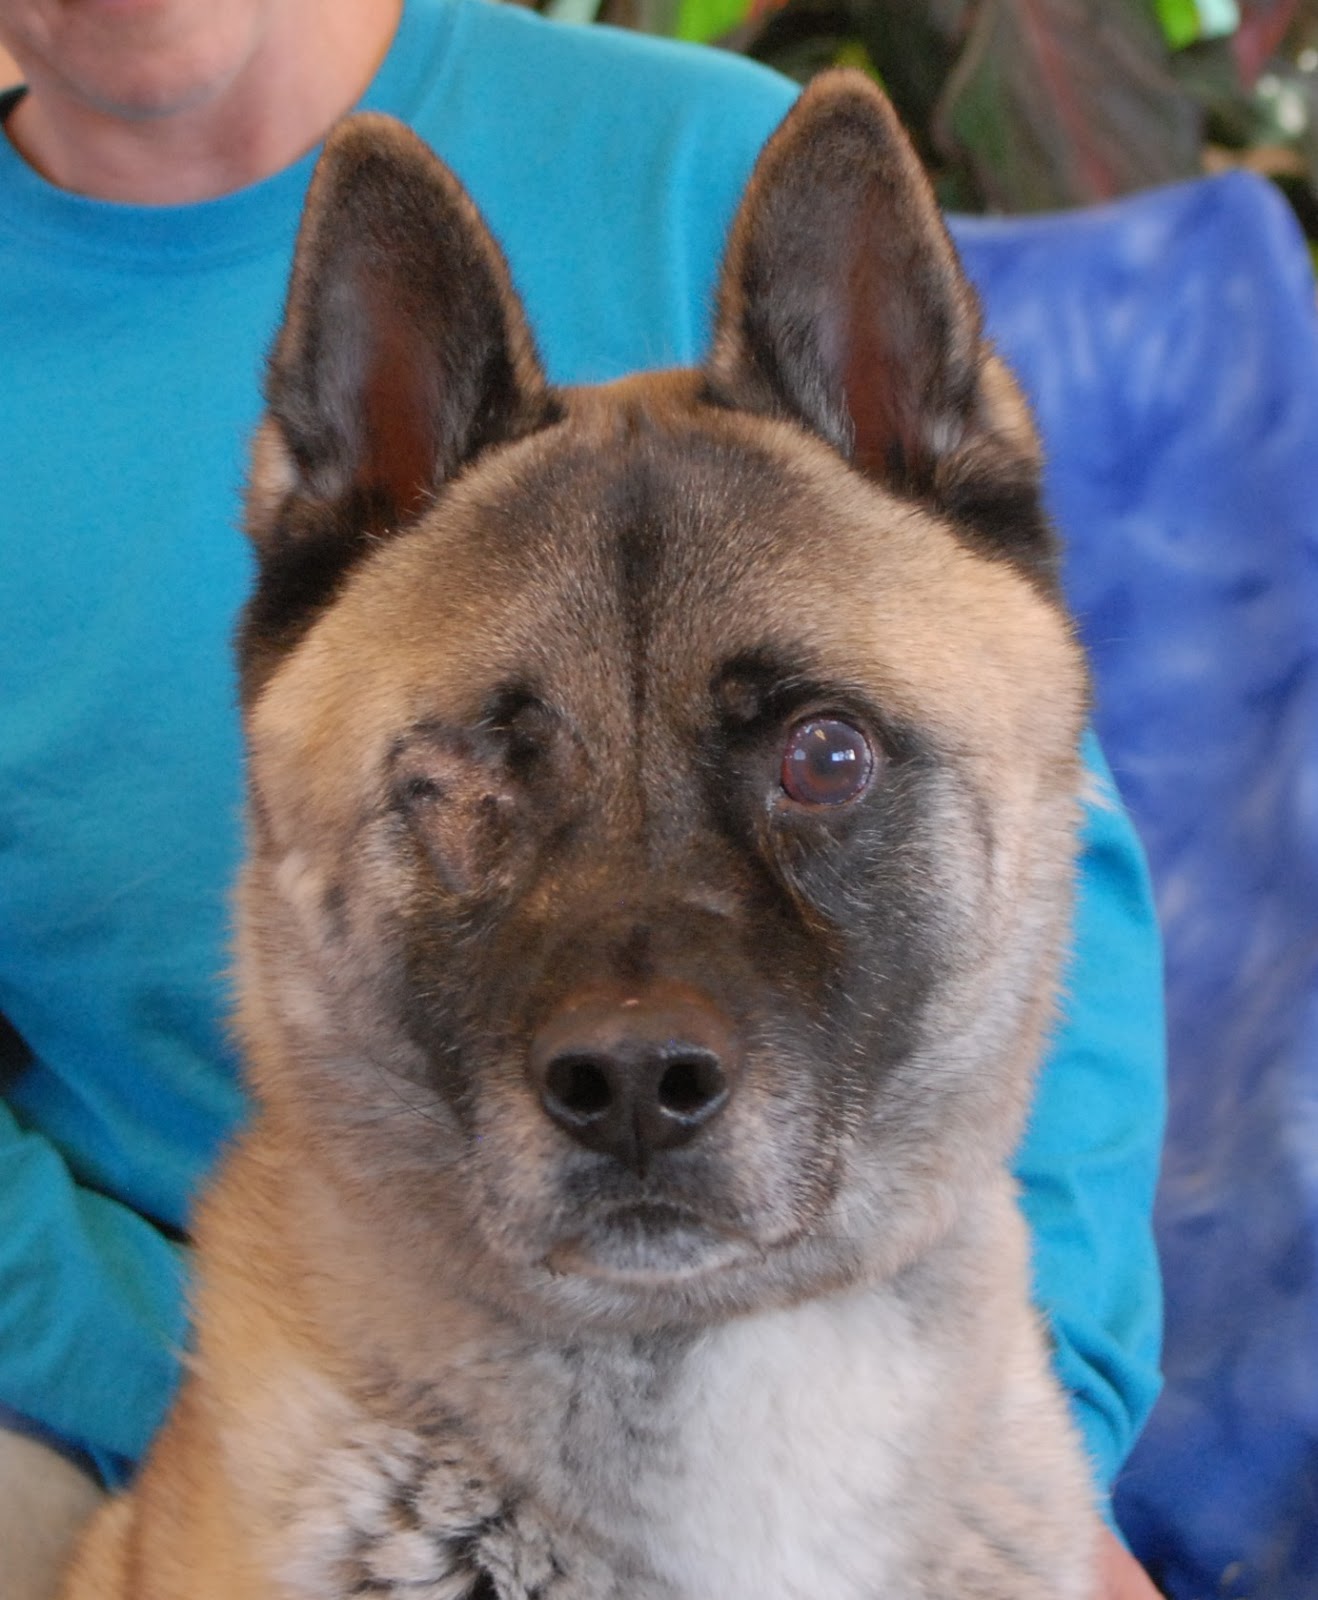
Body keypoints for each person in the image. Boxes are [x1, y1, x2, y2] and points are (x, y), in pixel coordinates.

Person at [0, 2, 1166, 1596]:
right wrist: (182, 1381)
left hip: (921, 1363)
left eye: (818, 761)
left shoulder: (694, 145)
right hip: (212, 1343)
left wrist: (1060, 1432)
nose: (632, 1035)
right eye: (469, 787)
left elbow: (1038, 835)